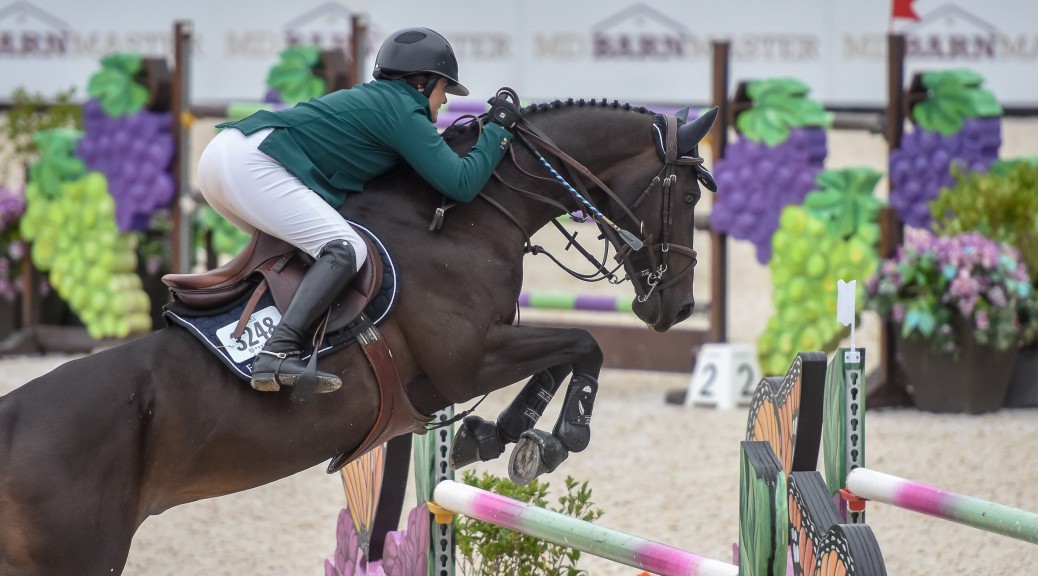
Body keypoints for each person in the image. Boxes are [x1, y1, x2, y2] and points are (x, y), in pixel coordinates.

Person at [197, 27, 522, 394]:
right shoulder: (402, 109)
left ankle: (254, 341)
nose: (444, 101)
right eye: (444, 89)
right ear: (422, 83)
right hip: (251, 163)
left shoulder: (384, 103)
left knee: (306, 255)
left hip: (228, 158)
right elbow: (461, 183)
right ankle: (277, 350)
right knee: (345, 248)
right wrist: (499, 131)